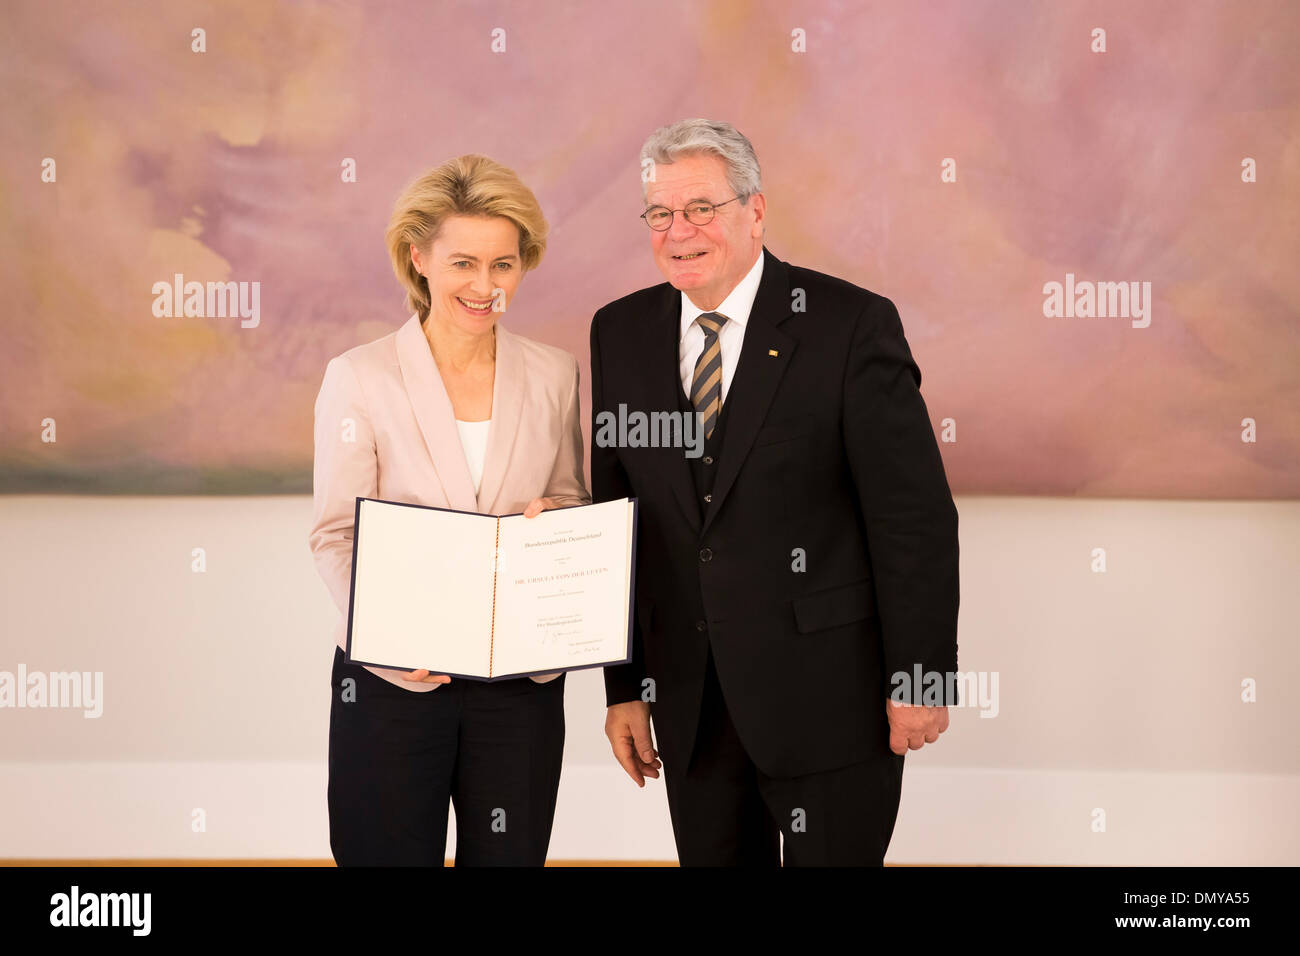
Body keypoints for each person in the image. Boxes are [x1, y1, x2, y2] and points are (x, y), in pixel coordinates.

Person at [590, 119, 960, 866]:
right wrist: (622, 686)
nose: (679, 231)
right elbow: (616, 519)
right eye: (660, 213)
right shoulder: (619, 332)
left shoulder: (849, 324)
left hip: (831, 699)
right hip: (692, 707)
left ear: (755, 211)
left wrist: (921, 673)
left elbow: (912, 516)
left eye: (702, 209)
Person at [309, 154, 590, 866]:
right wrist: (387, 646)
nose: (485, 286)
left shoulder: (556, 375)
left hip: (518, 690)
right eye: (464, 262)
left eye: (504, 264)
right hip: (392, 686)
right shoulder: (358, 378)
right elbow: (335, 535)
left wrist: (556, 523)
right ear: (418, 257)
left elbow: (571, 502)